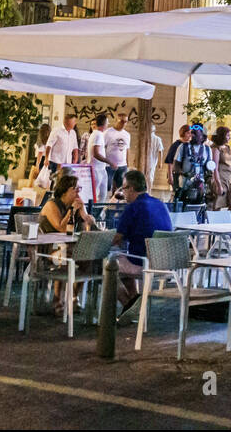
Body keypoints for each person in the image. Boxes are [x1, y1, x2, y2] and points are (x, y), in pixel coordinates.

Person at [111, 169, 172, 310]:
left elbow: (115, 240)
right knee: (123, 259)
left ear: (131, 189)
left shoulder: (132, 208)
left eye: (124, 189)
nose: (123, 193)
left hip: (144, 264)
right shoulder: (160, 204)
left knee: (107, 266)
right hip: (165, 263)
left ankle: (129, 306)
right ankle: (135, 299)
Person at [39, 173, 96, 319]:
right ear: (65, 190)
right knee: (64, 255)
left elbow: (86, 231)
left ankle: (73, 297)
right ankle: (57, 300)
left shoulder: (75, 207)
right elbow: (60, 228)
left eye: (79, 189)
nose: (78, 192)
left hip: (67, 247)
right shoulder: (52, 204)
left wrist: (85, 215)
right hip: (46, 250)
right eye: (75, 189)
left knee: (87, 257)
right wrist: (71, 210)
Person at [174, 123, 214, 207]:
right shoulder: (183, 147)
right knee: (184, 208)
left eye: (195, 134)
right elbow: (176, 165)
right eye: (192, 133)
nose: (192, 135)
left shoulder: (207, 149)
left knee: (199, 209)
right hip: (185, 184)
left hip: (201, 187)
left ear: (203, 136)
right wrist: (183, 173)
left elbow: (210, 167)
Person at [211, 126, 231, 216]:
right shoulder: (216, 148)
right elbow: (215, 167)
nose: (229, 137)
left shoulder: (228, 147)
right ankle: (215, 226)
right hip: (221, 179)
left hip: (230, 179)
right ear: (222, 136)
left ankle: (227, 224)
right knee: (218, 205)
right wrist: (218, 184)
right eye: (227, 135)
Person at [85, 113, 111, 203]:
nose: (108, 124)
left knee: (103, 194)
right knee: (94, 194)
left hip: (101, 168)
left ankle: (98, 212)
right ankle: (92, 212)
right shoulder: (98, 135)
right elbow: (96, 154)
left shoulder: (97, 134)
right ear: (104, 124)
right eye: (107, 122)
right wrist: (110, 162)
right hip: (96, 169)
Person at [105, 113, 132, 194]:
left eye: (126, 122)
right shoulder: (108, 132)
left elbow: (127, 149)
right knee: (107, 186)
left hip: (122, 165)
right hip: (109, 165)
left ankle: (116, 204)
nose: (124, 123)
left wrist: (128, 164)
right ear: (116, 120)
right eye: (122, 121)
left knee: (121, 188)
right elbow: (102, 148)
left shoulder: (127, 134)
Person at [165, 124, 192, 193]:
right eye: (188, 133)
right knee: (176, 193)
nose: (190, 135)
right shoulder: (176, 145)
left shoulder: (189, 145)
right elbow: (169, 161)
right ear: (183, 133)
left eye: (191, 133)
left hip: (184, 175)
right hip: (175, 174)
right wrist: (170, 175)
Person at [146, 123, 163, 189]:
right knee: (150, 176)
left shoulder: (157, 139)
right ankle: (149, 191)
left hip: (151, 160)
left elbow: (160, 151)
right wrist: (160, 162)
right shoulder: (157, 139)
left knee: (148, 176)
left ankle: (148, 191)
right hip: (152, 161)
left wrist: (160, 162)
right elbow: (160, 151)